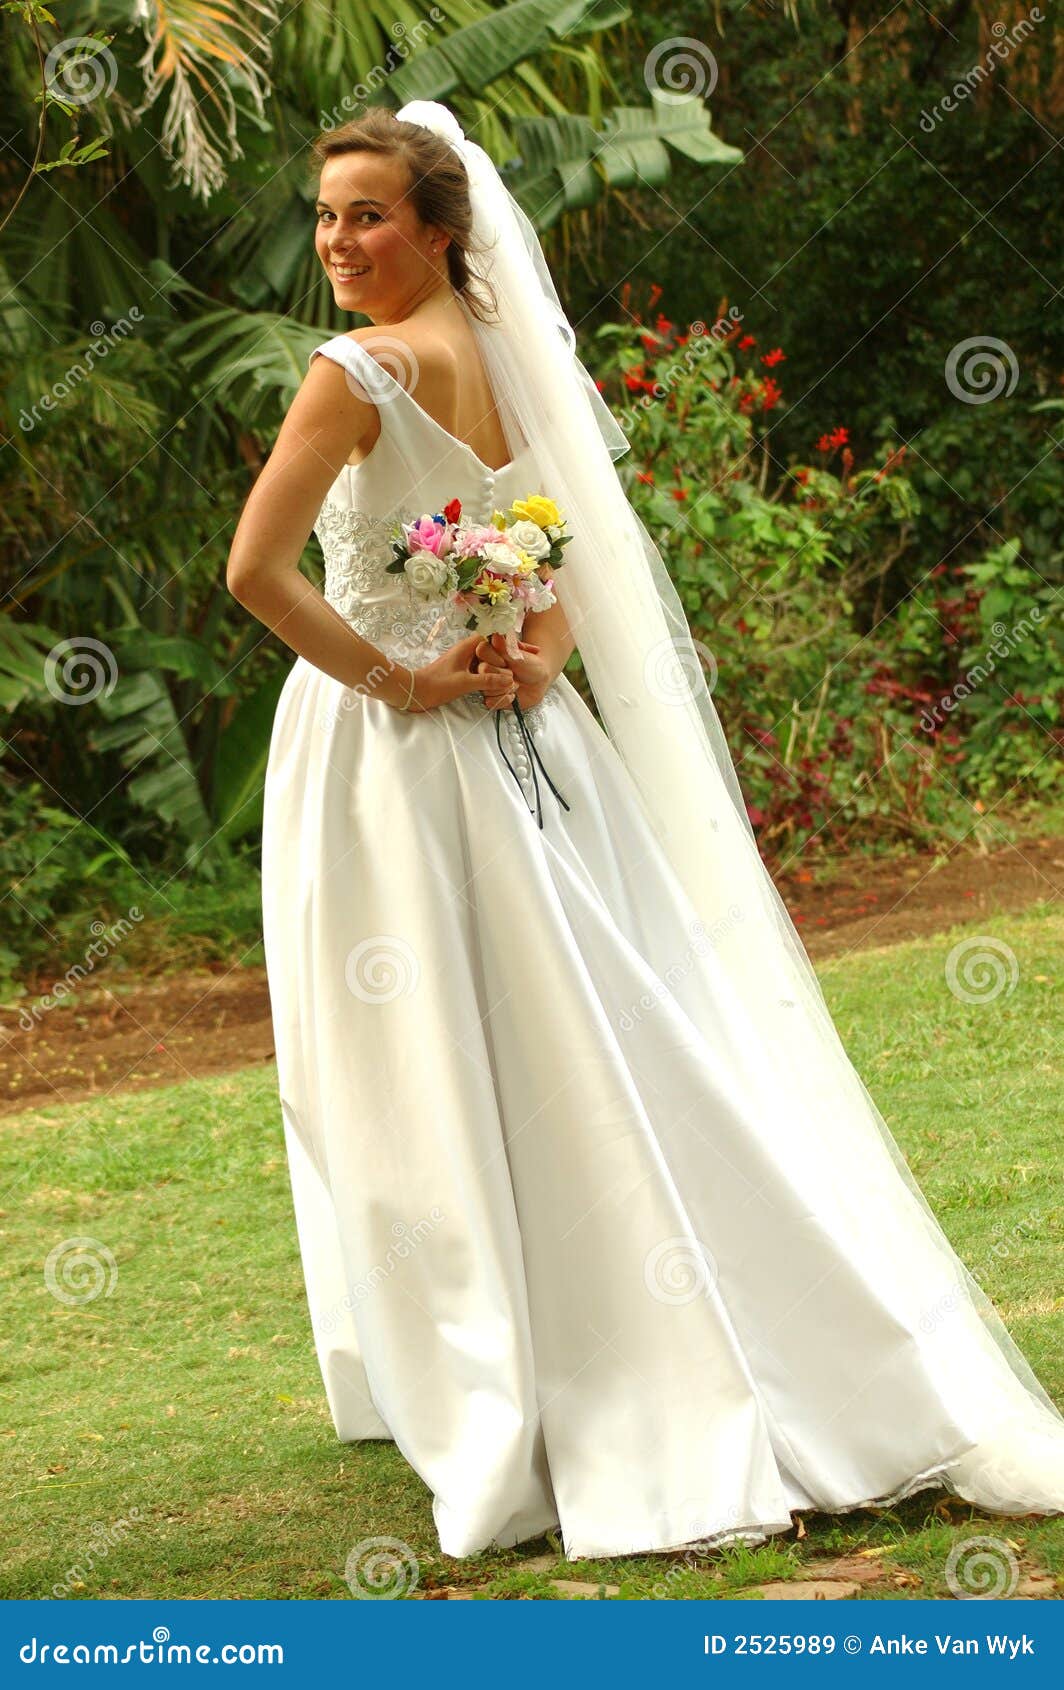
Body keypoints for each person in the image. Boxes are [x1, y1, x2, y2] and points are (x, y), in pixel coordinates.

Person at [227, 99, 1064, 1563]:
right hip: (531, 735)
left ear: (438, 229)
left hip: (405, 748)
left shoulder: (354, 371)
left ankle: (533, 1375)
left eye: (367, 214)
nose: (338, 242)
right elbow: (553, 548)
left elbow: (255, 571)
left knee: (431, 1055)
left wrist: (408, 678)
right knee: (587, 1028)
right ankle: (602, 1339)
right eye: (324, 216)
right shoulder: (511, 359)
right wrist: (533, 654)